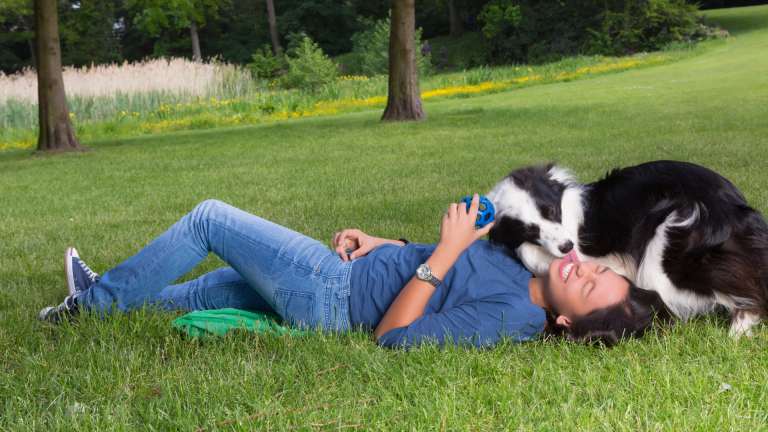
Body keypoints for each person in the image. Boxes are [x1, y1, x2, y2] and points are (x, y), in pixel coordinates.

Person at [39, 197, 671, 348]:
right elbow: (427, 260)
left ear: (567, 322)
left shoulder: (513, 318)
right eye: (596, 269)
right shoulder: (522, 261)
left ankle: (88, 308)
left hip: (329, 294)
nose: (582, 270)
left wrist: (446, 251)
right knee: (208, 288)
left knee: (209, 219)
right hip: (347, 274)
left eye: (590, 287)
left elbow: (394, 337)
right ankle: (105, 296)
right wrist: (381, 241)